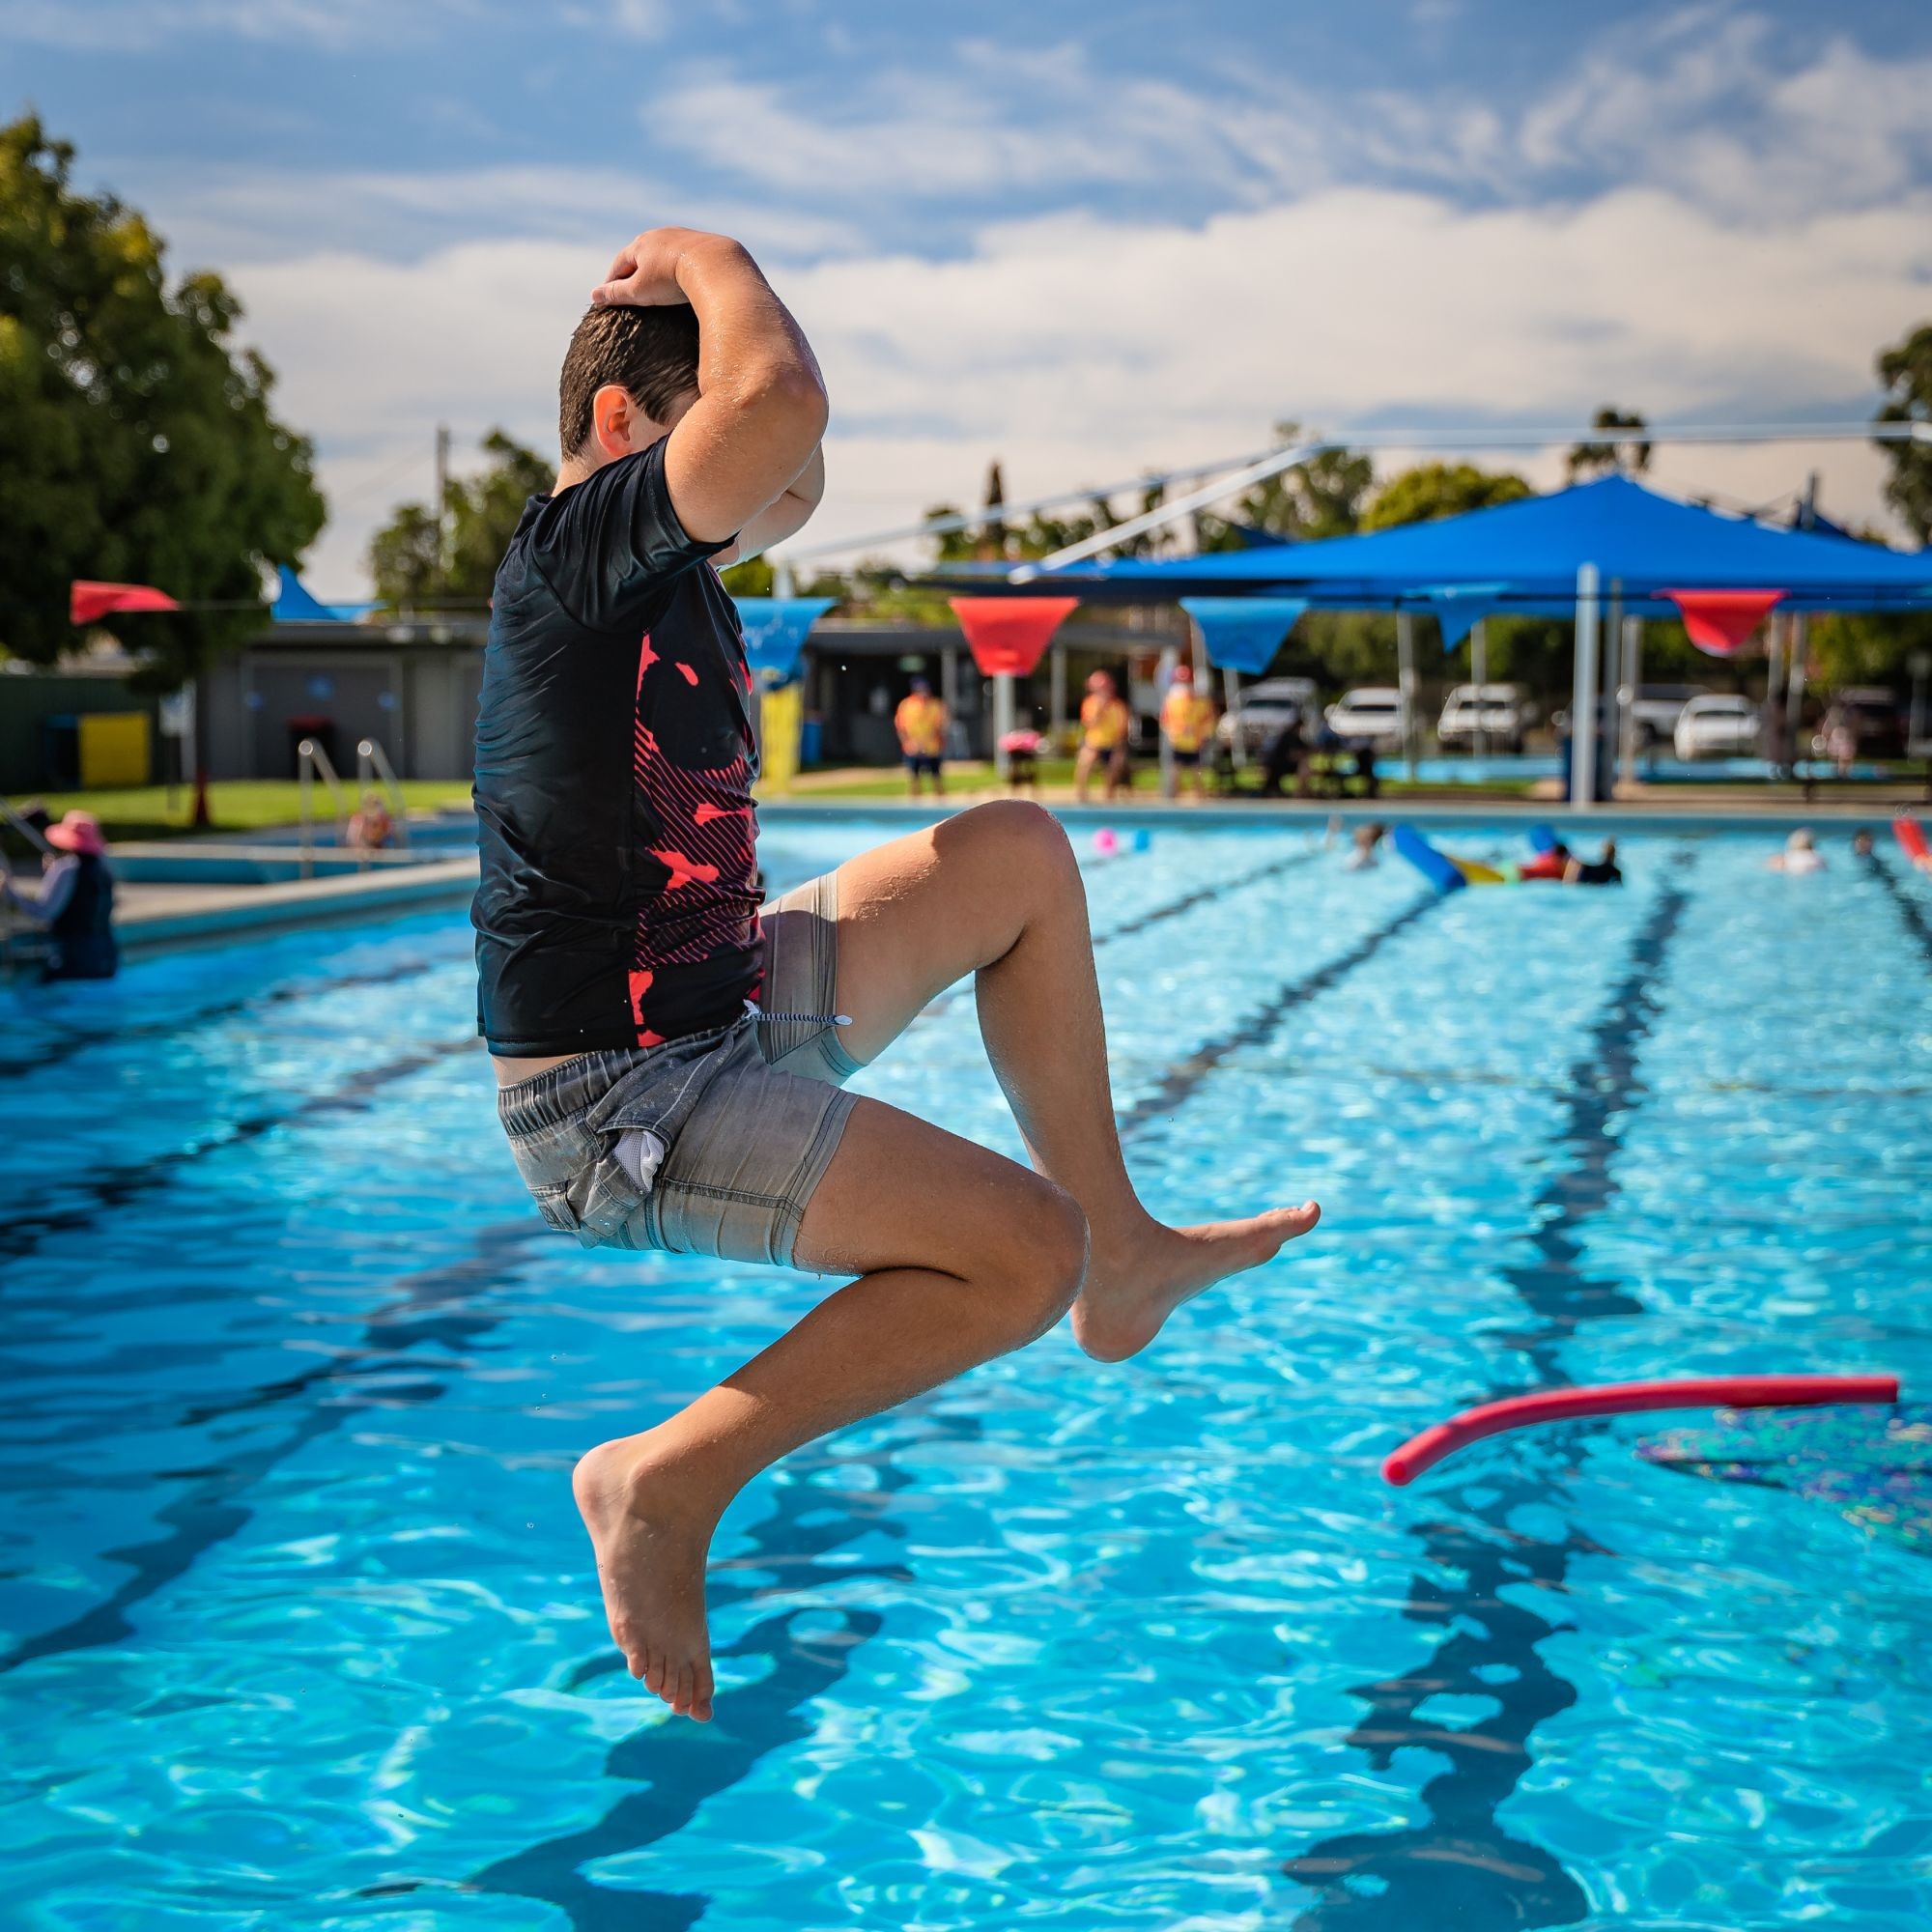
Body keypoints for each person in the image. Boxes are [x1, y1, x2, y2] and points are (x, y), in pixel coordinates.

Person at [473, 225, 1320, 1726]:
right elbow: (777, 401)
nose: (789, 503)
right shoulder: (577, 555)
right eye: (757, 476)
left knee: (1017, 854)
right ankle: (669, 1480)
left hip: (716, 1008)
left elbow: (778, 432)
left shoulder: (684, 585)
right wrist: (708, 255)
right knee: (1013, 1253)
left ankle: (1125, 1259)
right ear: (619, 432)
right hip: (621, 1098)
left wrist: (763, 441)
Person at [1, 809, 118, 979]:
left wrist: (10, 892)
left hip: (73, 962)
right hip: (107, 960)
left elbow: (43, 913)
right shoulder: (102, 869)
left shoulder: (66, 869)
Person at [1158, 664, 1216, 802]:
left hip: (1195, 742)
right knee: (1175, 773)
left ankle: (1199, 798)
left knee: (1196, 773)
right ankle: (1174, 800)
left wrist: (1203, 735)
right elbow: (1166, 721)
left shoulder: (1201, 702)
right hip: (1178, 742)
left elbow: (1209, 721)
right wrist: (1174, 732)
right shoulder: (1171, 701)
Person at [1074, 669, 1132, 802]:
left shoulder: (1118, 706)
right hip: (1094, 743)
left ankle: (1108, 796)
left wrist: (1118, 745)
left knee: (1115, 765)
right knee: (1085, 762)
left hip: (1112, 743)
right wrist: (1100, 710)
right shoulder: (1090, 703)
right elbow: (1089, 723)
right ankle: (1082, 796)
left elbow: (1122, 729)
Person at [893, 676, 948, 799]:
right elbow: (901, 727)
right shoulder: (906, 705)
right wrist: (907, 743)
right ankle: (914, 804)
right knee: (914, 778)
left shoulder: (935, 705)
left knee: (936, 777)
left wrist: (938, 742)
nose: (923, 693)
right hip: (913, 746)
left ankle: (941, 805)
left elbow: (940, 726)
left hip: (931, 746)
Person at [1259, 713, 1307, 799]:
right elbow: (1292, 755)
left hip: (1283, 765)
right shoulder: (1288, 737)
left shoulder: (1295, 737)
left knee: (1304, 765)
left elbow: (1306, 747)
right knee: (1304, 766)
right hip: (1278, 765)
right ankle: (1300, 792)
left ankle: (1302, 791)